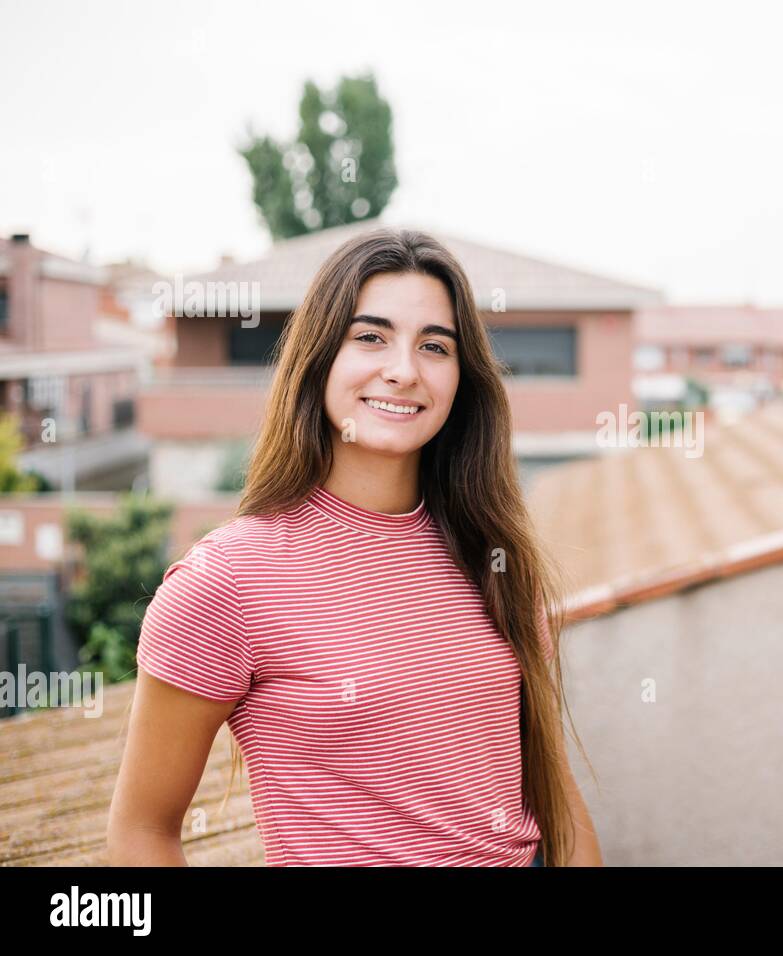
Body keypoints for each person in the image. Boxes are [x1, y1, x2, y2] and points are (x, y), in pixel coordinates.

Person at [106, 227, 601, 867]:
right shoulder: (226, 583)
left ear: (461, 378)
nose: (403, 370)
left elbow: (553, 794)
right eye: (370, 337)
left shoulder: (497, 558)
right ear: (319, 360)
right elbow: (141, 833)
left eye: (435, 346)